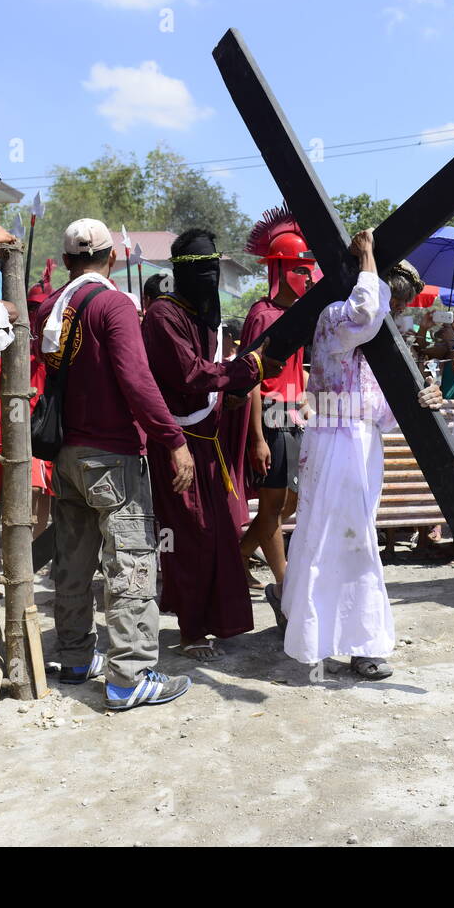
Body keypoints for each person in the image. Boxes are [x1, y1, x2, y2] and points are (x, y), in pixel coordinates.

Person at [30, 218, 193, 710]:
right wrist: (172, 438)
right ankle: (129, 676)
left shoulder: (53, 307)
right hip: (113, 457)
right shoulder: (113, 304)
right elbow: (137, 381)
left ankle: (78, 658)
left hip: (66, 455)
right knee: (130, 565)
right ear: (113, 258)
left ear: (68, 259)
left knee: (73, 563)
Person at [279, 230, 444, 679]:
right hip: (335, 437)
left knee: (347, 534)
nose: (396, 314)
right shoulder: (336, 317)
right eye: (394, 302)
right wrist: (369, 255)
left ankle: (300, 613)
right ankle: (362, 643)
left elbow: (386, 412)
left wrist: (423, 396)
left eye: (401, 308)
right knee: (344, 538)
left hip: (364, 443)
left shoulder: (384, 342)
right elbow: (367, 312)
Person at [141, 228, 281, 660]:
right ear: (180, 273)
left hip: (210, 442)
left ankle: (220, 621)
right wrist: (244, 370)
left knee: (220, 532)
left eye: (213, 267)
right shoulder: (164, 316)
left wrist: (239, 385)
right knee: (189, 536)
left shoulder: (205, 316)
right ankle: (190, 630)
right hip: (177, 443)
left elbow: (213, 376)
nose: (210, 276)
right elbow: (190, 375)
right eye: (201, 269)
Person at [238, 207, 318, 612]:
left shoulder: (297, 315)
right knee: (272, 504)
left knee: (288, 503)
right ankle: (285, 583)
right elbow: (249, 376)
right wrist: (256, 438)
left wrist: (305, 399)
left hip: (293, 416)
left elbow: (297, 370)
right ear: (282, 269)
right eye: (301, 270)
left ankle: (237, 557)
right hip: (269, 416)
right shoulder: (261, 314)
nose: (308, 277)